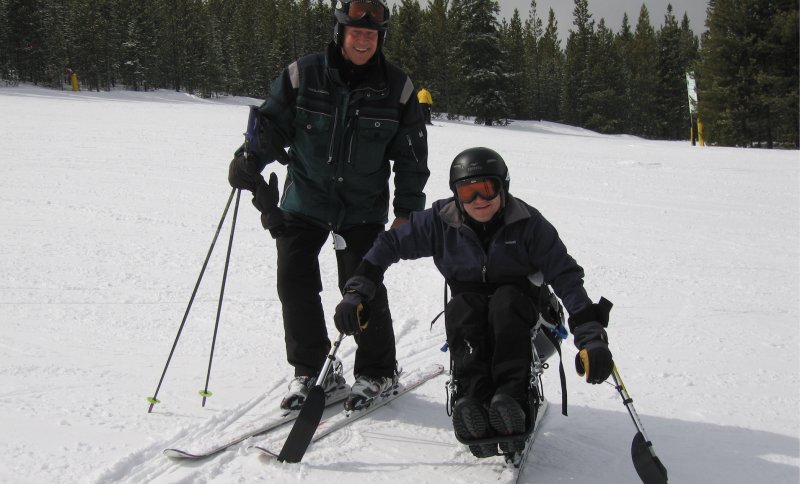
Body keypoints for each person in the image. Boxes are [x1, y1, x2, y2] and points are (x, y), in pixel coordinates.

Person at [333, 147, 614, 458]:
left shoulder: (529, 224)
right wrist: (358, 289)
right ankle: (473, 402)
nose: (479, 200)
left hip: (530, 322)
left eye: (487, 189)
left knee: (504, 302)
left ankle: (512, 399)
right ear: (456, 194)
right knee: (463, 307)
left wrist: (591, 336)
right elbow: (389, 244)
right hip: (472, 314)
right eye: (468, 192)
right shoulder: (441, 221)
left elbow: (566, 277)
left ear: (503, 187)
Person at [227, 0, 430, 413]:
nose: (363, 40)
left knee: (361, 283)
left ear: (381, 38)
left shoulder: (398, 88)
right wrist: (249, 157)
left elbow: (412, 156)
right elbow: (271, 122)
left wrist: (407, 210)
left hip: (362, 206)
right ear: (340, 32)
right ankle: (314, 368)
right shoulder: (304, 75)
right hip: (306, 197)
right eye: (356, 32)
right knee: (294, 279)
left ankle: (378, 370)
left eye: (371, 35)